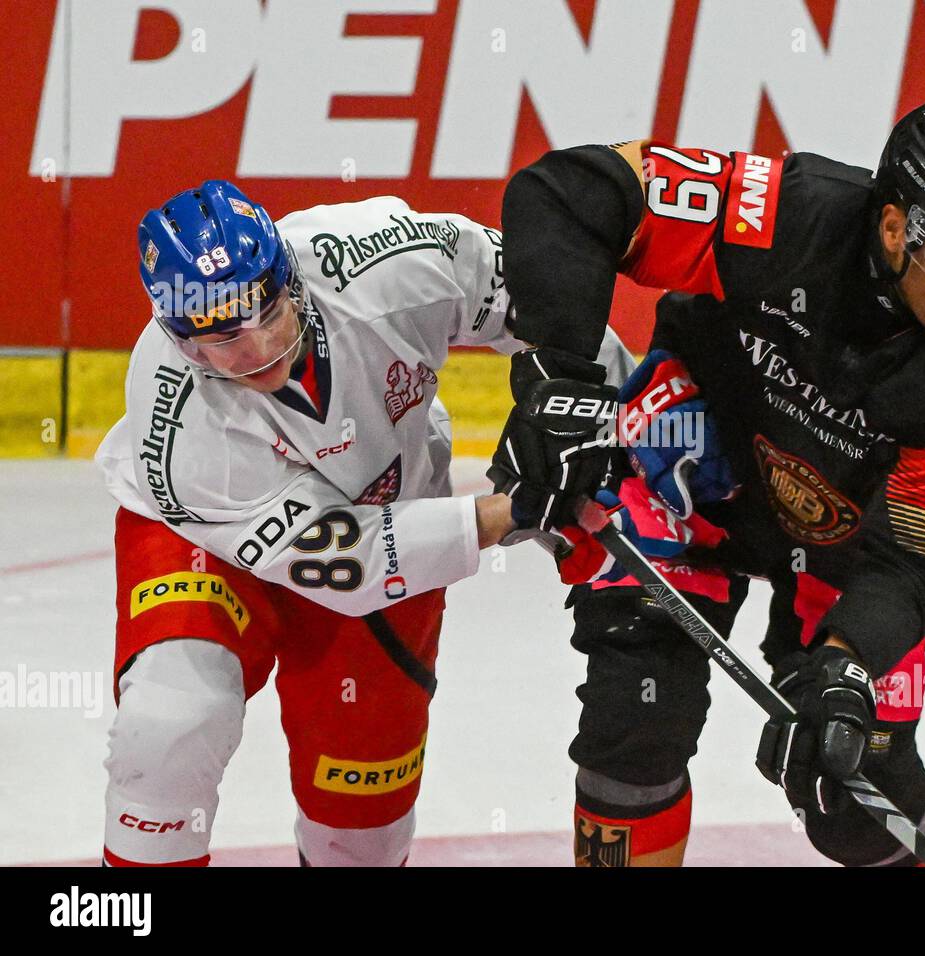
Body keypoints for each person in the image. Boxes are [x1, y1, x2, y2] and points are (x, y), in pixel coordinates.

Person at [488, 100, 925, 866]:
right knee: (635, 724)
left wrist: (849, 666)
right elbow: (570, 191)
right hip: (685, 479)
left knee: (855, 788)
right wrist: (563, 381)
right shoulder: (785, 214)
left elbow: (917, 559)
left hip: (846, 538)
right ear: (895, 230)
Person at [95, 180, 630, 866]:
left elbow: (544, 293)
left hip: (393, 499)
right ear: (177, 335)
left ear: (290, 277)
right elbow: (350, 560)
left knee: (362, 818)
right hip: (205, 543)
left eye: (264, 313)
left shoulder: (386, 259)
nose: (255, 350)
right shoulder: (181, 429)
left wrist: (605, 428)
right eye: (219, 338)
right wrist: (518, 510)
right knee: (171, 722)